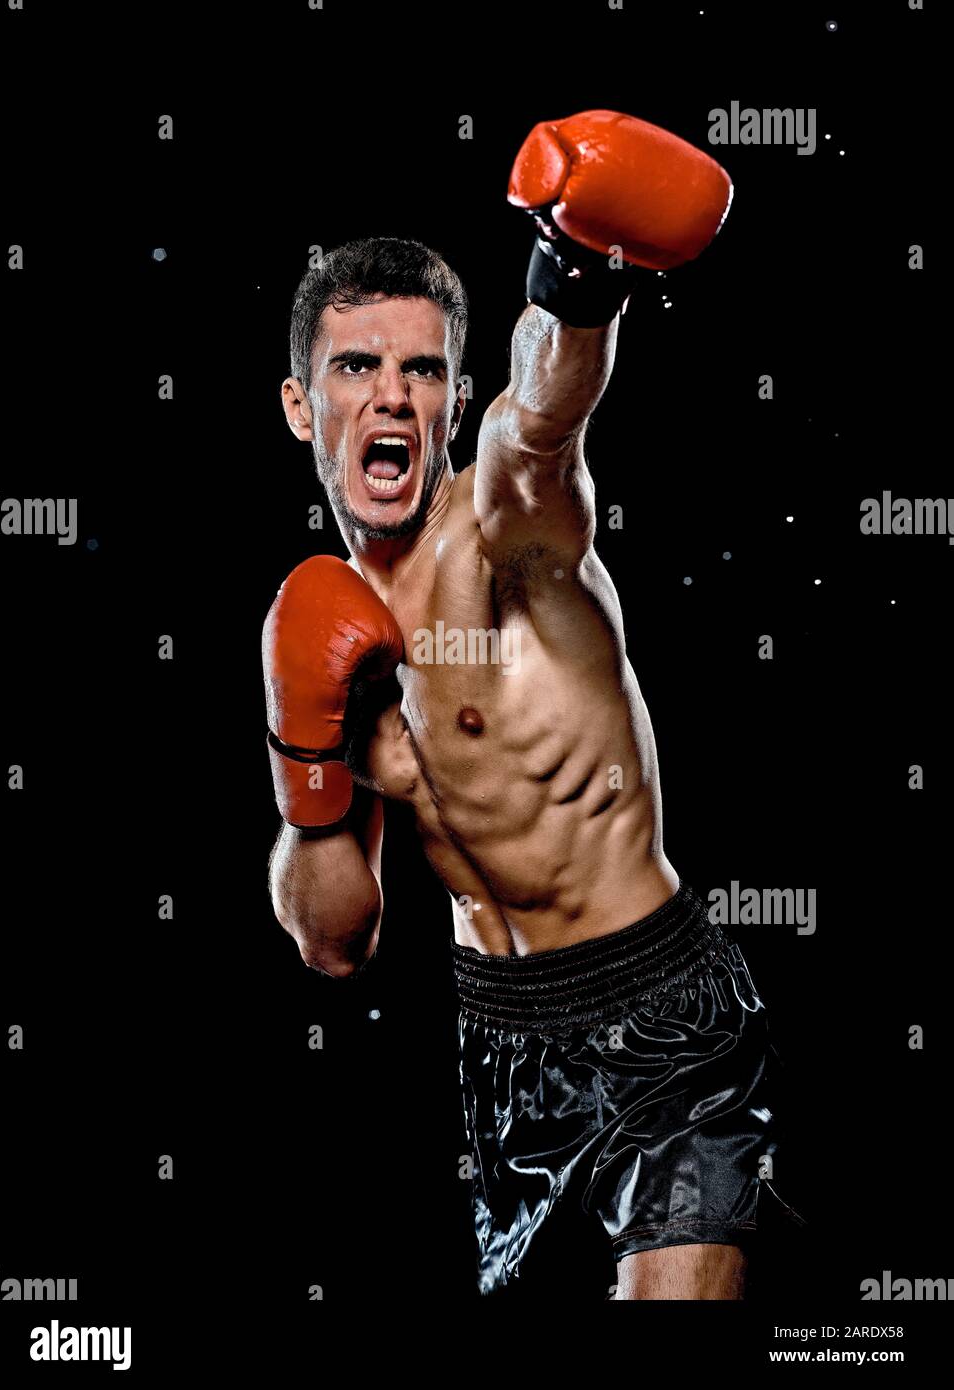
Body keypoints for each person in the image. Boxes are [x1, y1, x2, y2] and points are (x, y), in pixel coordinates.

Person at [263, 109, 800, 1299]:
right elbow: (334, 941)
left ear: (453, 401)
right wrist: (304, 758)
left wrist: (574, 269)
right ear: (303, 409)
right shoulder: (321, 634)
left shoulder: (506, 529)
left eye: (422, 371)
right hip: (502, 1050)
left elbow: (544, 414)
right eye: (356, 368)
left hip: (665, 1022)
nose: (390, 399)